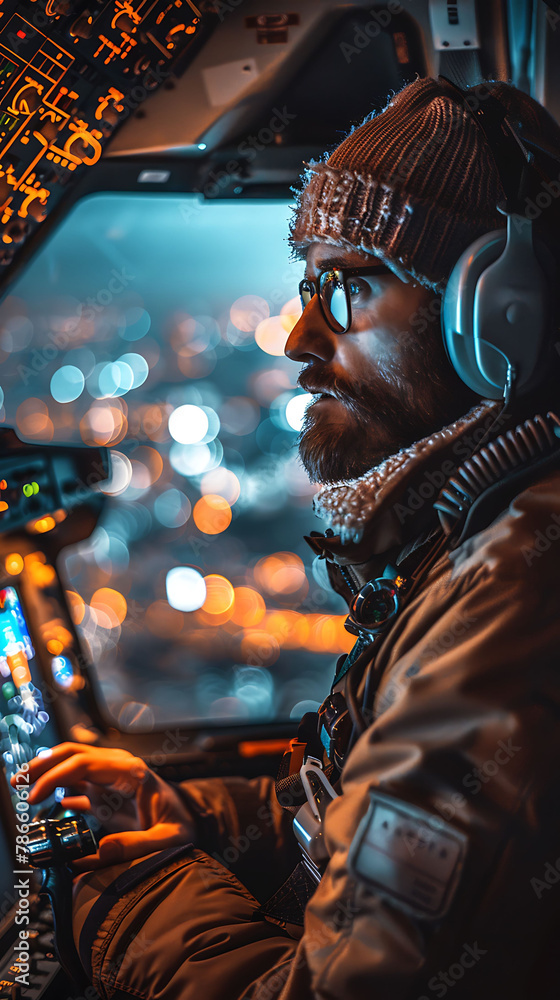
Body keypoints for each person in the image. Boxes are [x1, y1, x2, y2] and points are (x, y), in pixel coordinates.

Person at [12, 75, 560, 999]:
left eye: (345, 288)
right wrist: (183, 809)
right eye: (307, 286)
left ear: (496, 310)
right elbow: (356, 808)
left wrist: (130, 890)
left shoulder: (513, 602)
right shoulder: (463, 540)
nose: (297, 335)